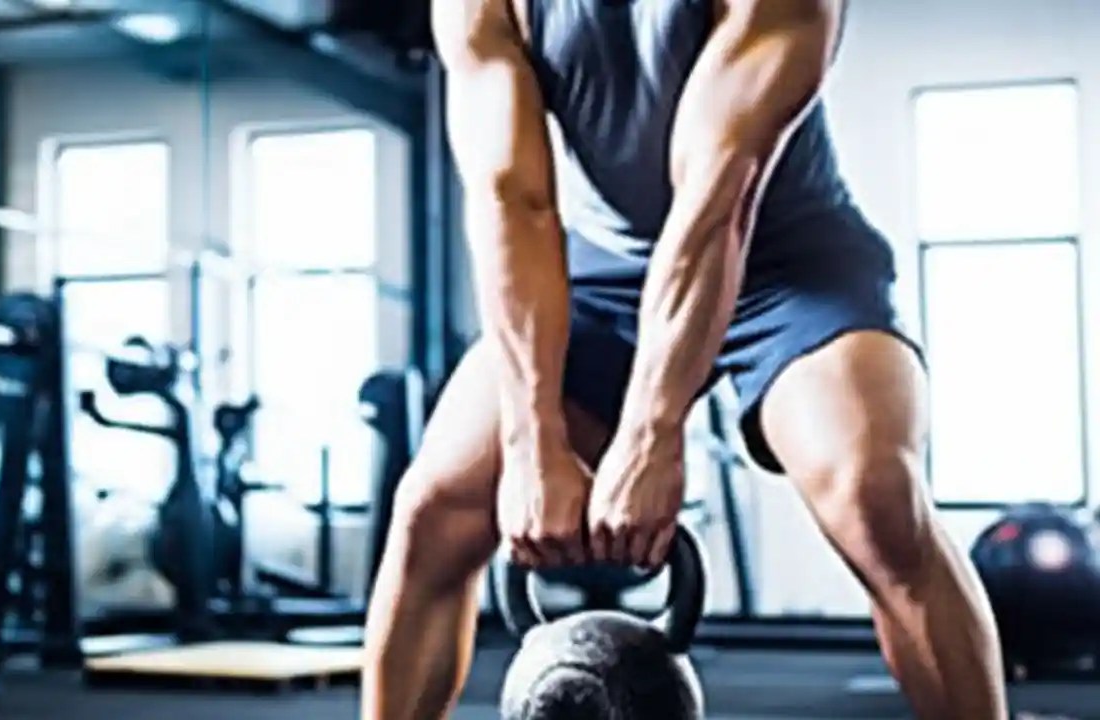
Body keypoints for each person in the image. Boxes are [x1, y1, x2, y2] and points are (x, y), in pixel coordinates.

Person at [362, 1, 1007, 718]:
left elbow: (717, 199)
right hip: (601, 273)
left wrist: (651, 434)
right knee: (435, 507)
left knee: (873, 496)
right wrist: (529, 441)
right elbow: (513, 199)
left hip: (791, 261)